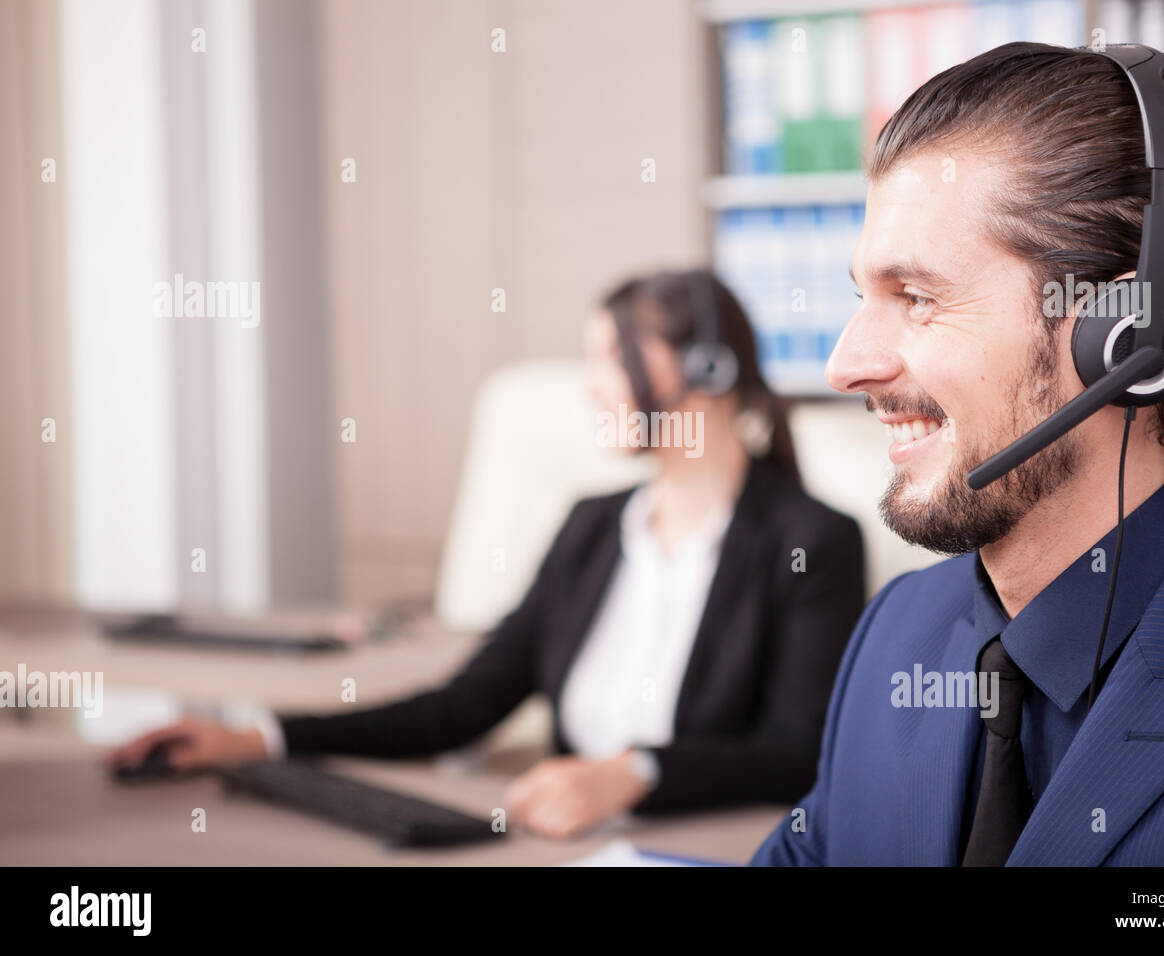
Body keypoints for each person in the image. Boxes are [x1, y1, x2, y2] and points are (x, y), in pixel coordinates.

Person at [752, 42, 1164, 866]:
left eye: (918, 297)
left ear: (1127, 337)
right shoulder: (897, 634)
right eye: (861, 297)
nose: (846, 364)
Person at [110, 268, 866, 839]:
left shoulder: (810, 543)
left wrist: (634, 775)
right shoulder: (593, 528)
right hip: (561, 849)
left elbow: (796, 753)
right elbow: (463, 705)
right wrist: (255, 737)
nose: (595, 387)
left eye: (614, 357)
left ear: (705, 369)